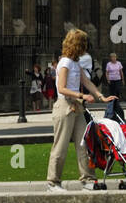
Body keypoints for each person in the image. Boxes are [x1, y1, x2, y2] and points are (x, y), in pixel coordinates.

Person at [47, 29, 116, 192]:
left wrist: (101, 96)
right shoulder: (64, 63)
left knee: (84, 144)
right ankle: (52, 182)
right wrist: (82, 96)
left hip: (76, 106)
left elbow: (87, 82)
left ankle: (87, 179)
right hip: (65, 106)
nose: (86, 48)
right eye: (84, 44)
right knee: (61, 146)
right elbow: (61, 88)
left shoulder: (75, 63)